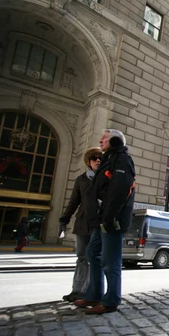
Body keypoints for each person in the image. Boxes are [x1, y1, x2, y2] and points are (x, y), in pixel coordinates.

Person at [74, 129, 136, 315]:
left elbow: (120, 190)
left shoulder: (122, 159)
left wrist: (109, 217)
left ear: (116, 140)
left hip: (112, 220)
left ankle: (110, 301)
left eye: (105, 137)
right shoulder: (108, 159)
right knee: (92, 253)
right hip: (101, 219)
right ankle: (94, 295)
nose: (100, 139)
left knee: (111, 261)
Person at [59, 147, 103, 302]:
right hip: (82, 223)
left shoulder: (106, 178)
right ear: (89, 161)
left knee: (95, 258)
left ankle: (89, 292)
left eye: (100, 158)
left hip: (99, 224)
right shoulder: (81, 179)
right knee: (81, 258)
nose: (98, 160)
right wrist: (64, 219)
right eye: (94, 158)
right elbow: (73, 202)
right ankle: (76, 290)